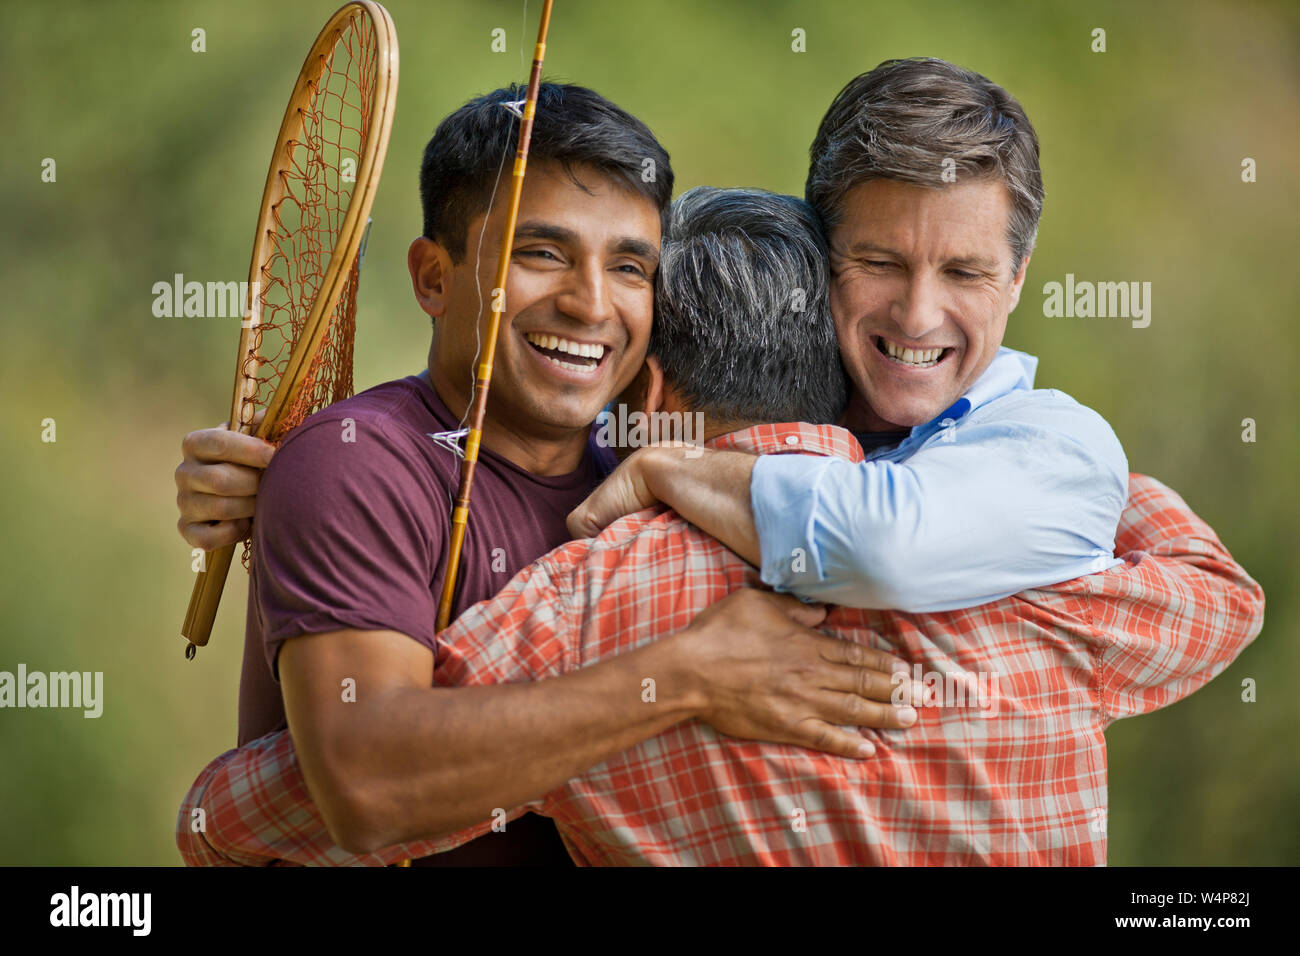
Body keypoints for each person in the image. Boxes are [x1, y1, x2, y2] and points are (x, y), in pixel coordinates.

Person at [178, 187, 1262, 865]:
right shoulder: (1059, 585)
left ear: (649, 379)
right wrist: (1011, 438)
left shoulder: (585, 607)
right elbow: (1217, 590)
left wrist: (304, 521)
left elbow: (251, 822)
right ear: (850, 366)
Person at [175, 83, 914, 867]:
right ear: (433, 277)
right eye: (542, 253)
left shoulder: (647, 474)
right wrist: (689, 674)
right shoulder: (360, 464)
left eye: (630, 266)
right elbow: (366, 787)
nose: (591, 304)